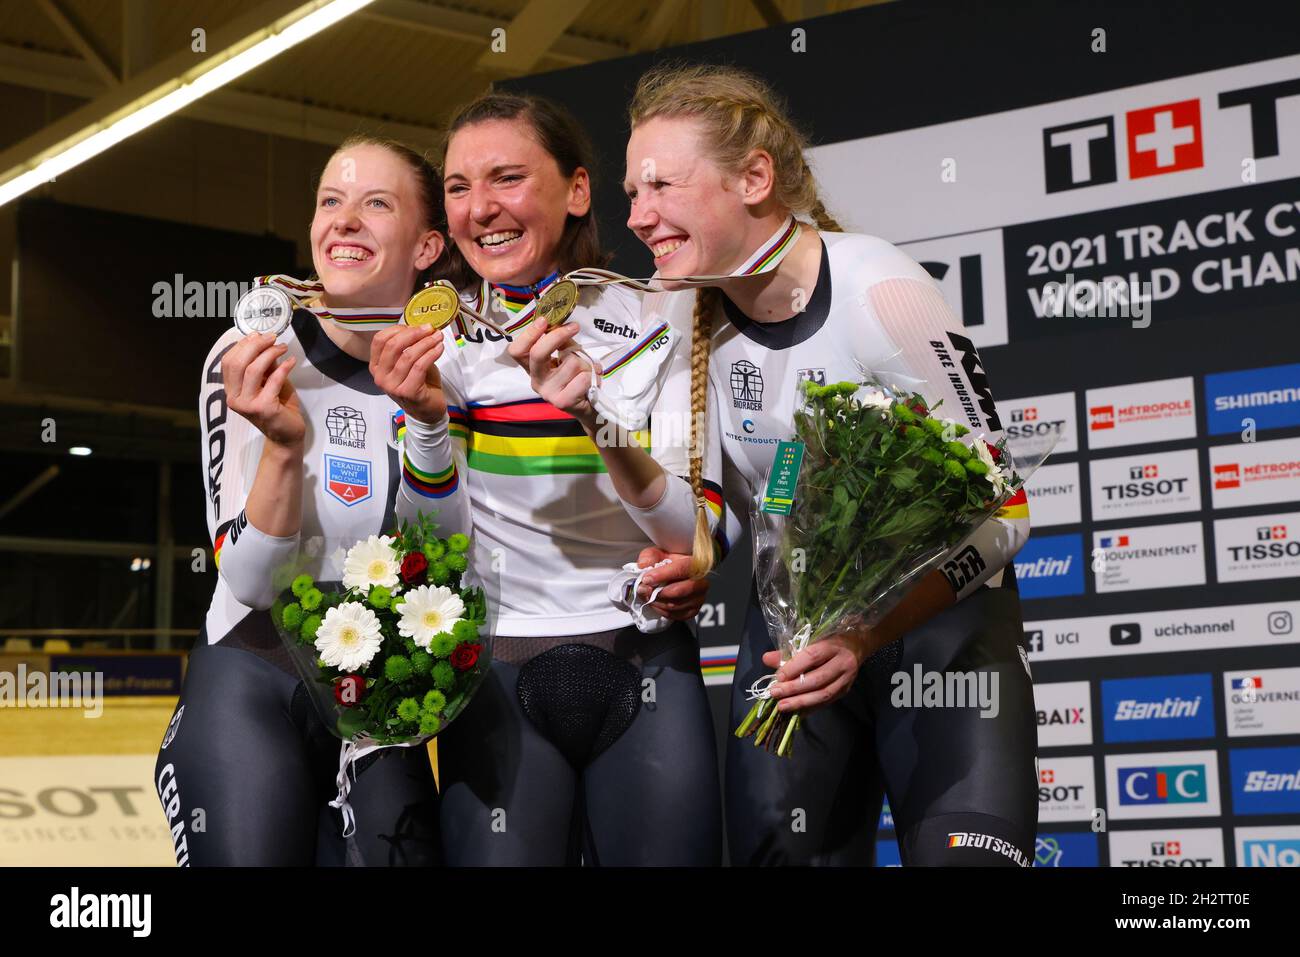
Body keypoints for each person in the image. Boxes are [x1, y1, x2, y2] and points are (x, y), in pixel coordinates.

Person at [621, 63, 1039, 866]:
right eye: (631, 191)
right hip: (793, 646)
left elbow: (1007, 517)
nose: (637, 216)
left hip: (940, 639)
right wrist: (600, 425)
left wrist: (869, 631)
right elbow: (704, 524)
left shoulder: (881, 290)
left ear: (753, 177)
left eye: (661, 186)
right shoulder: (673, 305)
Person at [369, 92, 723, 866]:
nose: (481, 208)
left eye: (506, 178)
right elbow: (436, 556)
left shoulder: (663, 315)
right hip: (498, 681)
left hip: (646, 662)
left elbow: (693, 539)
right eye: (459, 188)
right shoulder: (436, 338)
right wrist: (426, 421)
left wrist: (594, 415)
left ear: (577, 190)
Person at [154, 135, 451, 866]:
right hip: (253, 677)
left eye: (375, 203)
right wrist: (283, 447)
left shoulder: (449, 365)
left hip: (381, 703)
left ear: (426, 246)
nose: (343, 220)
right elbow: (250, 582)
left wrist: (430, 421)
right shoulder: (256, 350)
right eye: (329, 201)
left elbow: (443, 565)